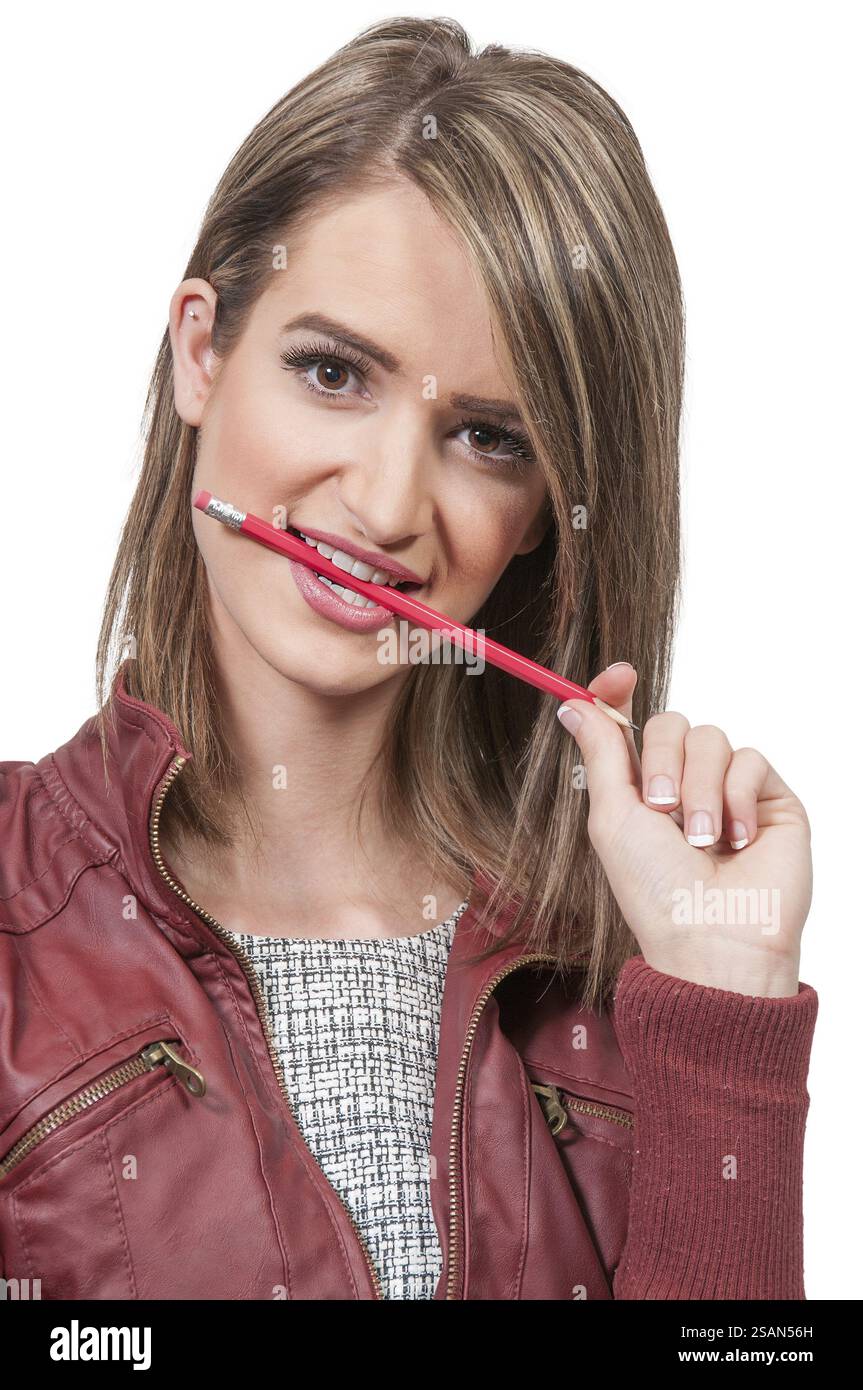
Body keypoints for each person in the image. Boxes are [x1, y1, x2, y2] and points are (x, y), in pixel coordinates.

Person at [0, 16, 817, 1301]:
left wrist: (724, 997)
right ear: (201, 353)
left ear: (547, 508)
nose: (385, 508)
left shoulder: (632, 967)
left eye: (488, 437)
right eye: (332, 371)